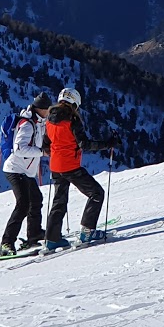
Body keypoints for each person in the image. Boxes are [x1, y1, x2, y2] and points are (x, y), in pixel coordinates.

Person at [43, 86, 113, 250]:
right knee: (96, 193)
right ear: (75, 103)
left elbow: (46, 145)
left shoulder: (49, 120)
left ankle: (52, 239)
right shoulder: (72, 121)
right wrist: (108, 143)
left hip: (56, 166)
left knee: (58, 201)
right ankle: (87, 231)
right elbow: (85, 144)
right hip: (71, 166)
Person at [0, 91, 53, 256]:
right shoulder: (28, 124)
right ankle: (6, 243)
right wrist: (43, 152)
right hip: (15, 169)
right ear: (41, 109)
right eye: (48, 109)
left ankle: (34, 233)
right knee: (23, 204)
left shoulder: (38, 122)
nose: (50, 112)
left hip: (25, 170)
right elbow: (20, 148)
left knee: (36, 200)